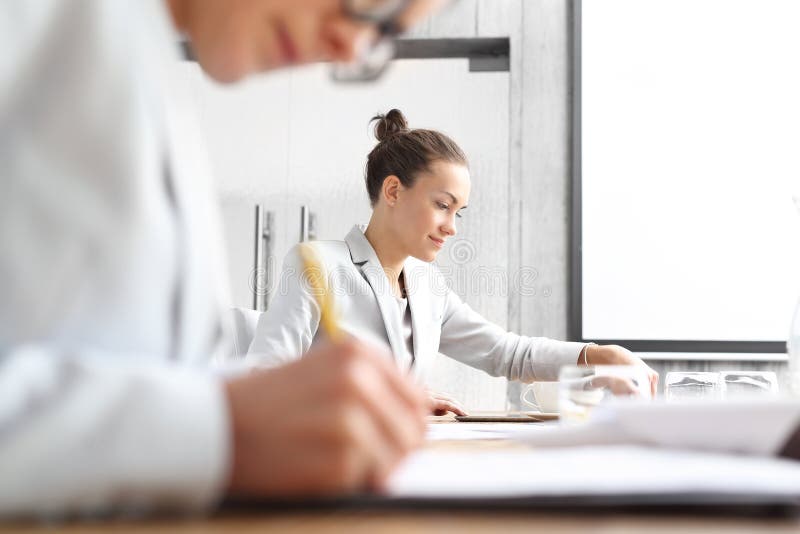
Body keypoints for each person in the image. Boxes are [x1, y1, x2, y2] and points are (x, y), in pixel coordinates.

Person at [0, 0, 445, 517]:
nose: (351, 45)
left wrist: (287, 406)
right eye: (374, 3)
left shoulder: (148, 59)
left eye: (382, 32)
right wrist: (220, 429)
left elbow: (131, 365)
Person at [247, 109, 659, 414]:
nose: (452, 227)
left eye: (458, 211)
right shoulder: (317, 265)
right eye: (443, 205)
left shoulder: (427, 286)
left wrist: (600, 354)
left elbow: (507, 353)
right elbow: (262, 381)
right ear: (393, 191)